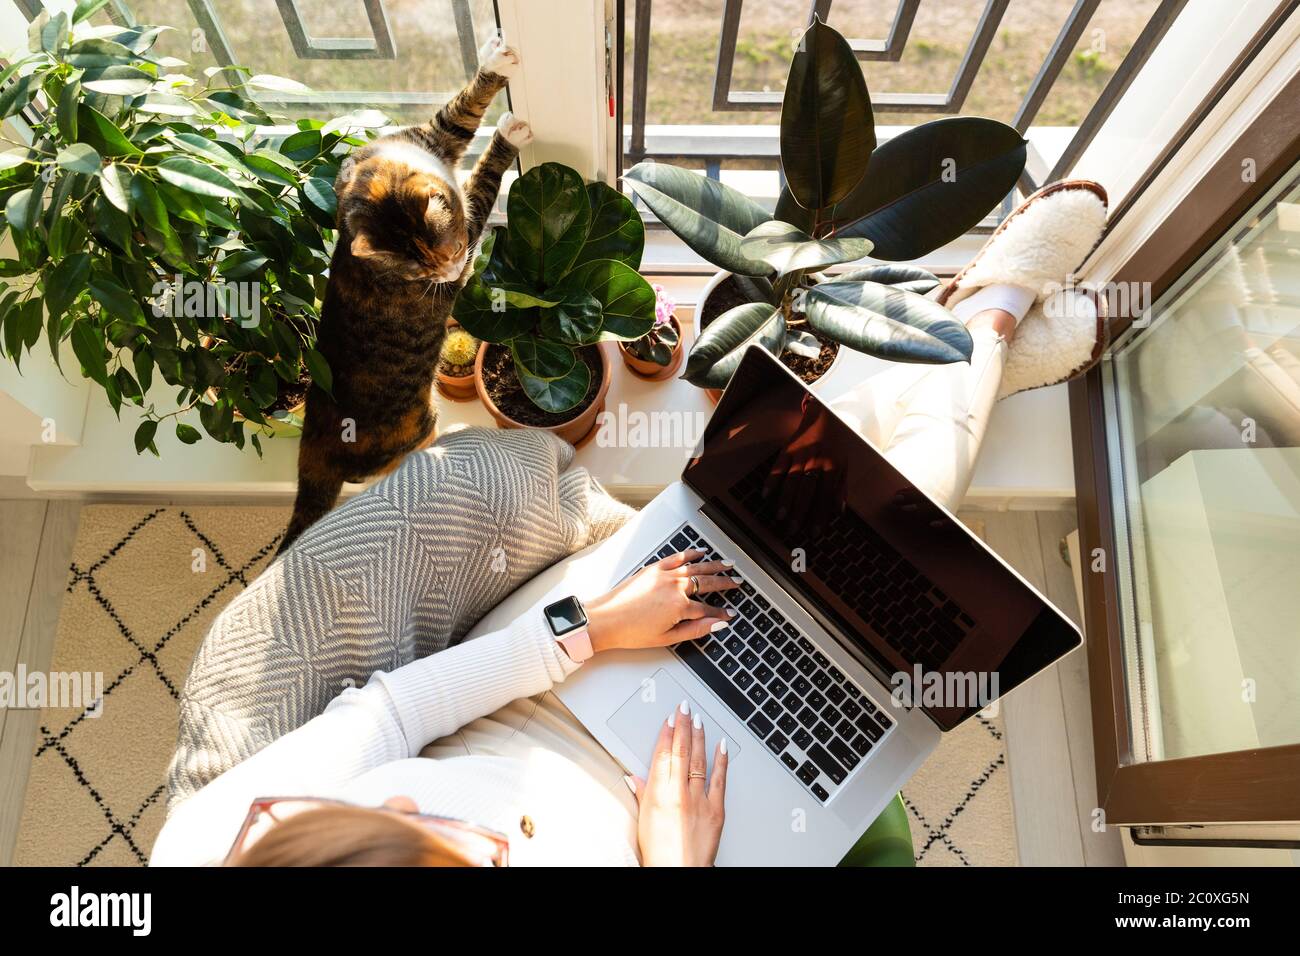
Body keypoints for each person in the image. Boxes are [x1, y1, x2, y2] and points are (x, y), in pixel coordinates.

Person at [151, 181, 1109, 867]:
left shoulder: (225, 846)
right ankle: (978, 332)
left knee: (796, 514)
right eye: (434, 842)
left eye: (383, 814)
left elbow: (397, 712)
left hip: (531, 697)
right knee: (887, 561)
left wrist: (590, 630)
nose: (402, 794)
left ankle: (977, 335)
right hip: (680, 829)